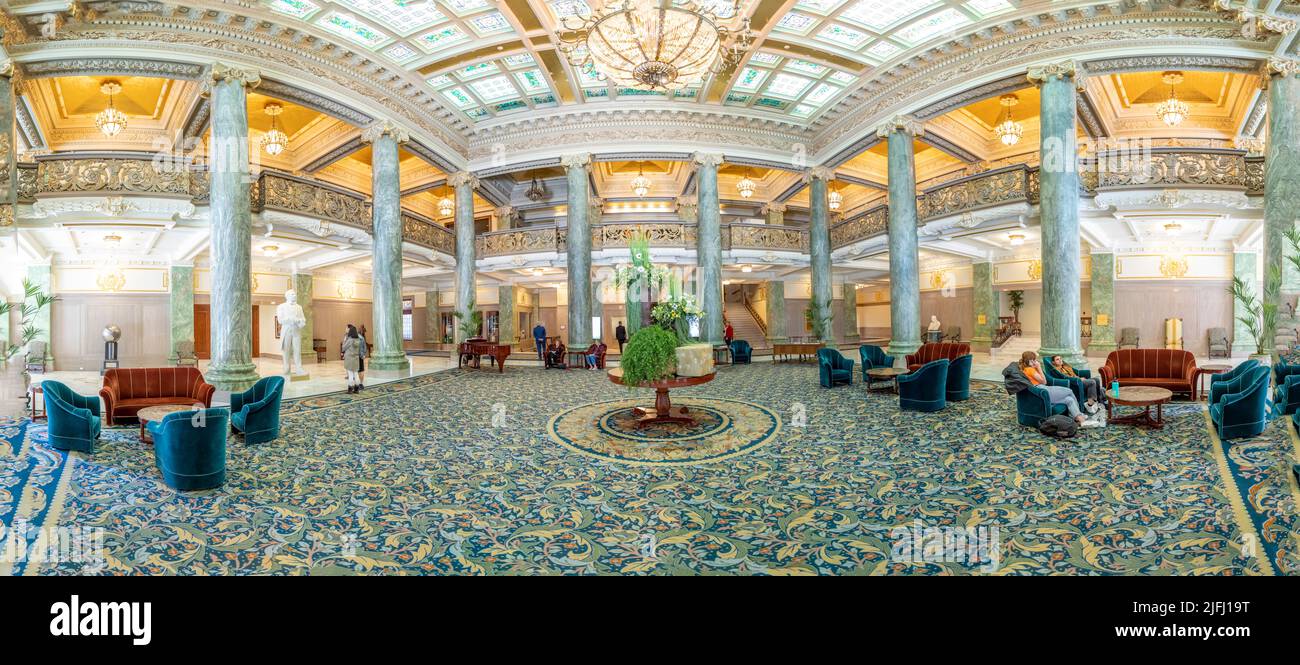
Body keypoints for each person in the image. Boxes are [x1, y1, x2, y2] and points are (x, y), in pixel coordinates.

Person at [1019, 351, 1087, 425]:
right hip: (1041, 388)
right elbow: (1044, 381)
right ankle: (1080, 416)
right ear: (1030, 361)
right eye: (1035, 360)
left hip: (1043, 389)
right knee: (1069, 391)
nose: (1036, 361)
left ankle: (1078, 418)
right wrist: (1039, 368)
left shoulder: (1027, 369)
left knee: (1069, 400)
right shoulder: (1030, 370)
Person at [342, 325, 365, 394]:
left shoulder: (350, 340)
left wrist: (345, 340)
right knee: (355, 373)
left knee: (350, 374)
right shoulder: (358, 339)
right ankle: (356, 388)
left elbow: (343, 348)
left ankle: (350, 388)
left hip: (349, 358)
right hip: (356, 358)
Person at [357, 324, 368, 390]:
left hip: (355, 356)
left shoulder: (355, 338)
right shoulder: (362, 338)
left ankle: (355, 384)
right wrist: (363, 354)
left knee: (357, 371)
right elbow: (365, 348)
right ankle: (361, 383)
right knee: (361, 370)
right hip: (361, 356)